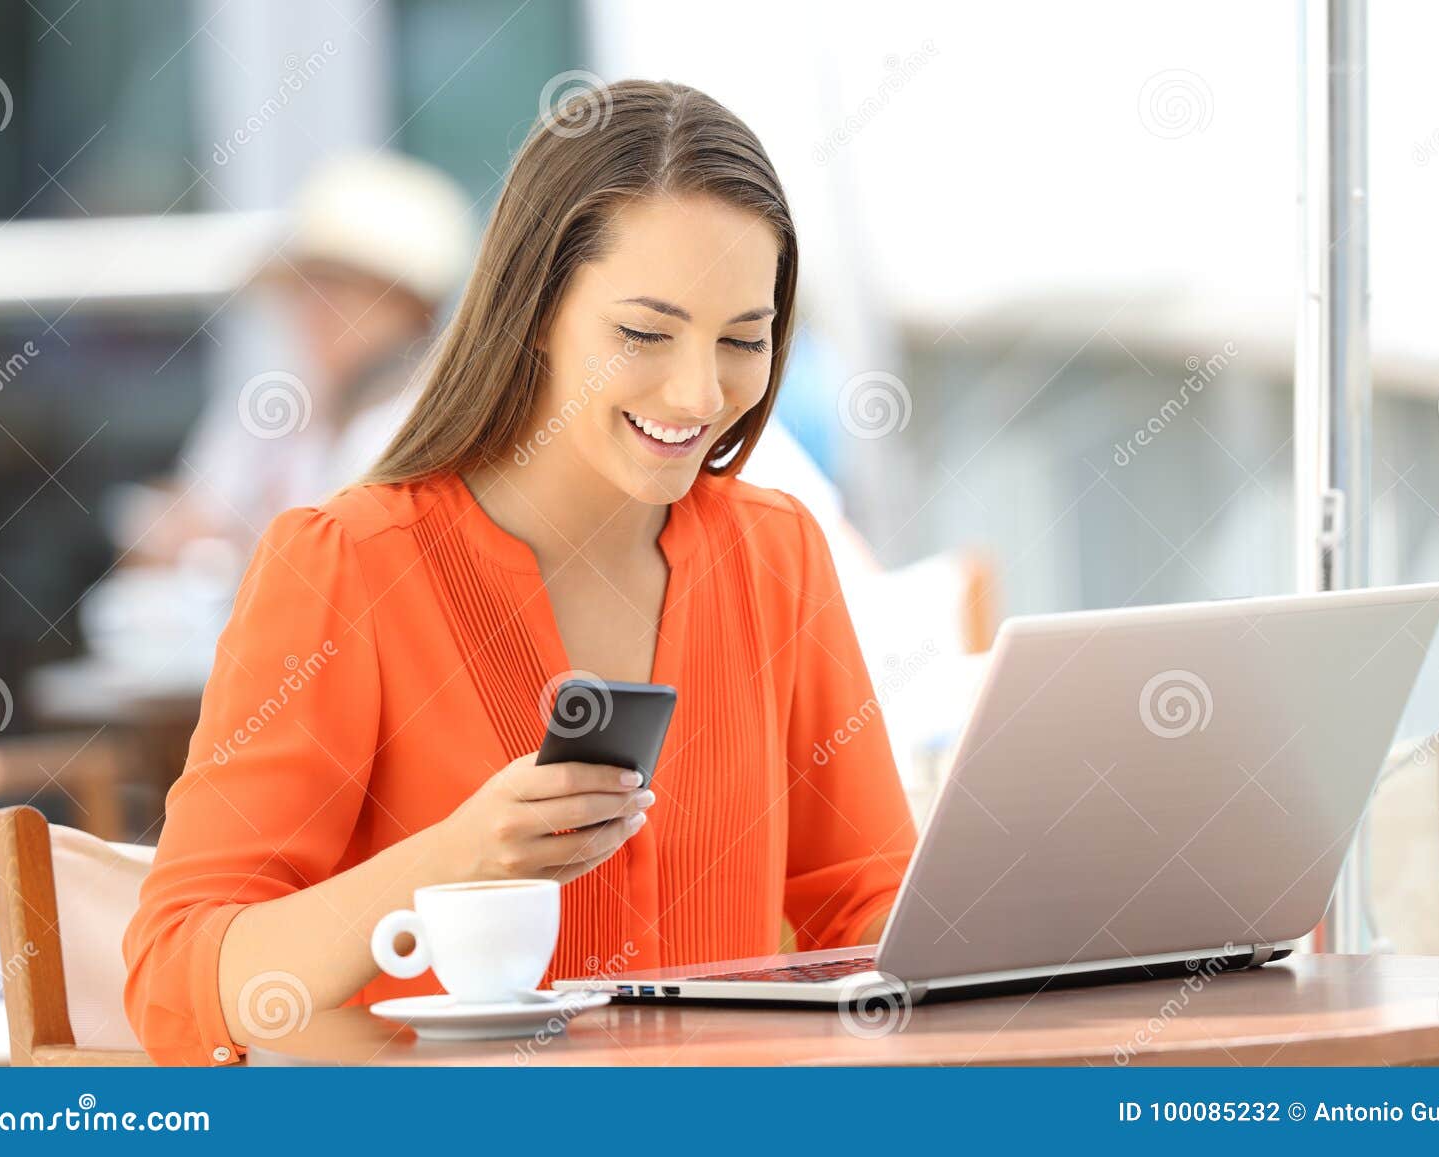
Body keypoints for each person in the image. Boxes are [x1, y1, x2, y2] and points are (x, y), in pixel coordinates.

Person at [123, 81, 917, 1066]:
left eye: (742, 340)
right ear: (536, 310)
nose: (699, 391)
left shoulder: (775, 552)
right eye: (644, 332)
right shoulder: (349, 565)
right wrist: (452, 857)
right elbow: (174, 978)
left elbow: (874, 899)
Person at [119, 152, 475, 563]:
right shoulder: (271, 403)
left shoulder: (438, 431)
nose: (316, 307)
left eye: (341, 288)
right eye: (304, 285)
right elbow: (165, 534)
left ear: (413, 310)